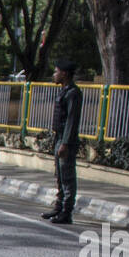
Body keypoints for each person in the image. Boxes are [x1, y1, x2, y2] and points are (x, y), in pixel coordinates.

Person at [44, 59, 82, 224]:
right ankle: (59, 207)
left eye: (56, 71)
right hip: (59, 137)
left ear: (64, 73)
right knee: (59, 175)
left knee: (67, 178)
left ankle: (67, 212)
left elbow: (72, 121)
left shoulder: (73, 93)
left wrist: (65, 143)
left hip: (67, 140)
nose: (54, 74)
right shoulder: (64, 91)